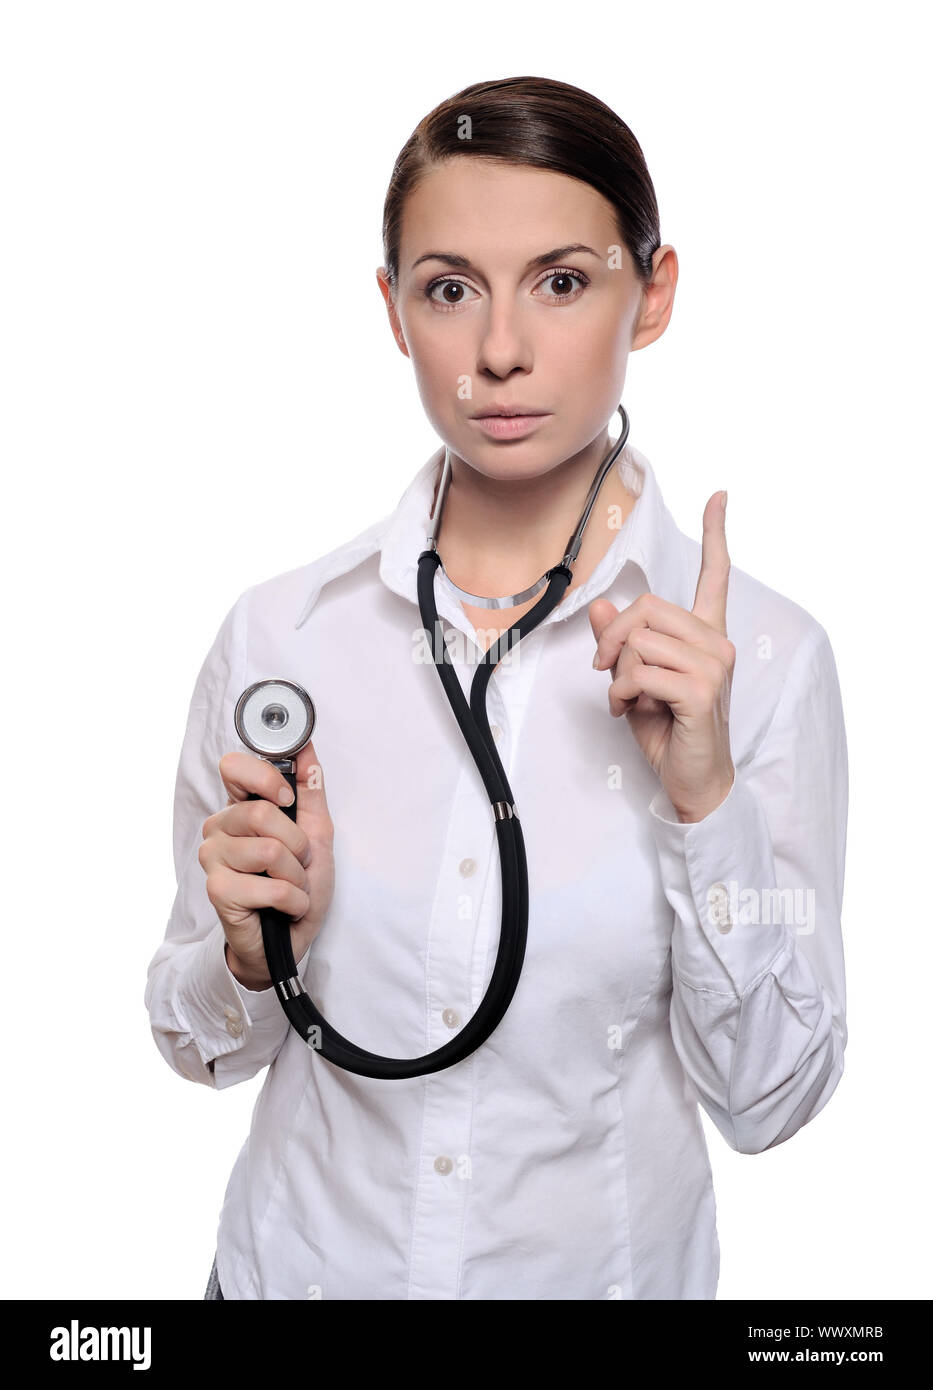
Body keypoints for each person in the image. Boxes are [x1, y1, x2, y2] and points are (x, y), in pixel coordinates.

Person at [145, 75, 848, 1301]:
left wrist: (707, 804)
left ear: (656, 292)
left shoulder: (767, 663)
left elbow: (771, 1098)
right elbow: (192, 1037)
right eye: (450, 287)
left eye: (563, 282)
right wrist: (256, 957)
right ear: (394, 311)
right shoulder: (282, 635)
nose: (502, 350)